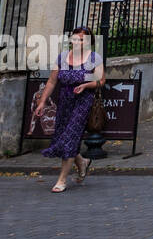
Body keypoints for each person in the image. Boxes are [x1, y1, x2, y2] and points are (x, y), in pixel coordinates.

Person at [34, 26, 104, 193]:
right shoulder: (63, 57)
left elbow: (101, 81)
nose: (78, 42)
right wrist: (42, 102)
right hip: (65, 101)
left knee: (70, 137)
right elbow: (52, 82)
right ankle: (82, 162)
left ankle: (62, 179)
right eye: (75, 39)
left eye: (82, 39)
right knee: (63, 136)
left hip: (83, 101)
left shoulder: (94, 58)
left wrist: (87, 85)